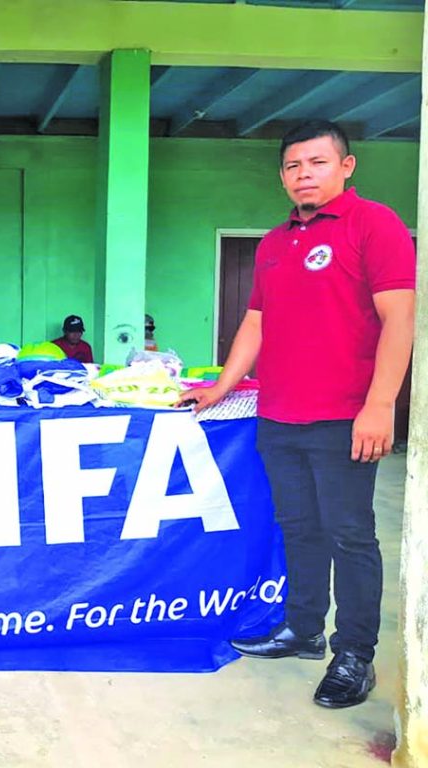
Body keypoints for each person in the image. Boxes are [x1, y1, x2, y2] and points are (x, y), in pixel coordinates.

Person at [181, 120, 415, 709]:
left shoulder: (374, 224)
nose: (303, 174)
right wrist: (221, 386)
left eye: (316, 162)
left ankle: (354, 655)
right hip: (280, 414)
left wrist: (380, 405)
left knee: (350, 535)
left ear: (346, 166)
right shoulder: (273, 243)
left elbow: (400, 319)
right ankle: (303, 629)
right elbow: (256, 322)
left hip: (345, 417)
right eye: (292, 165)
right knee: (298, 527)